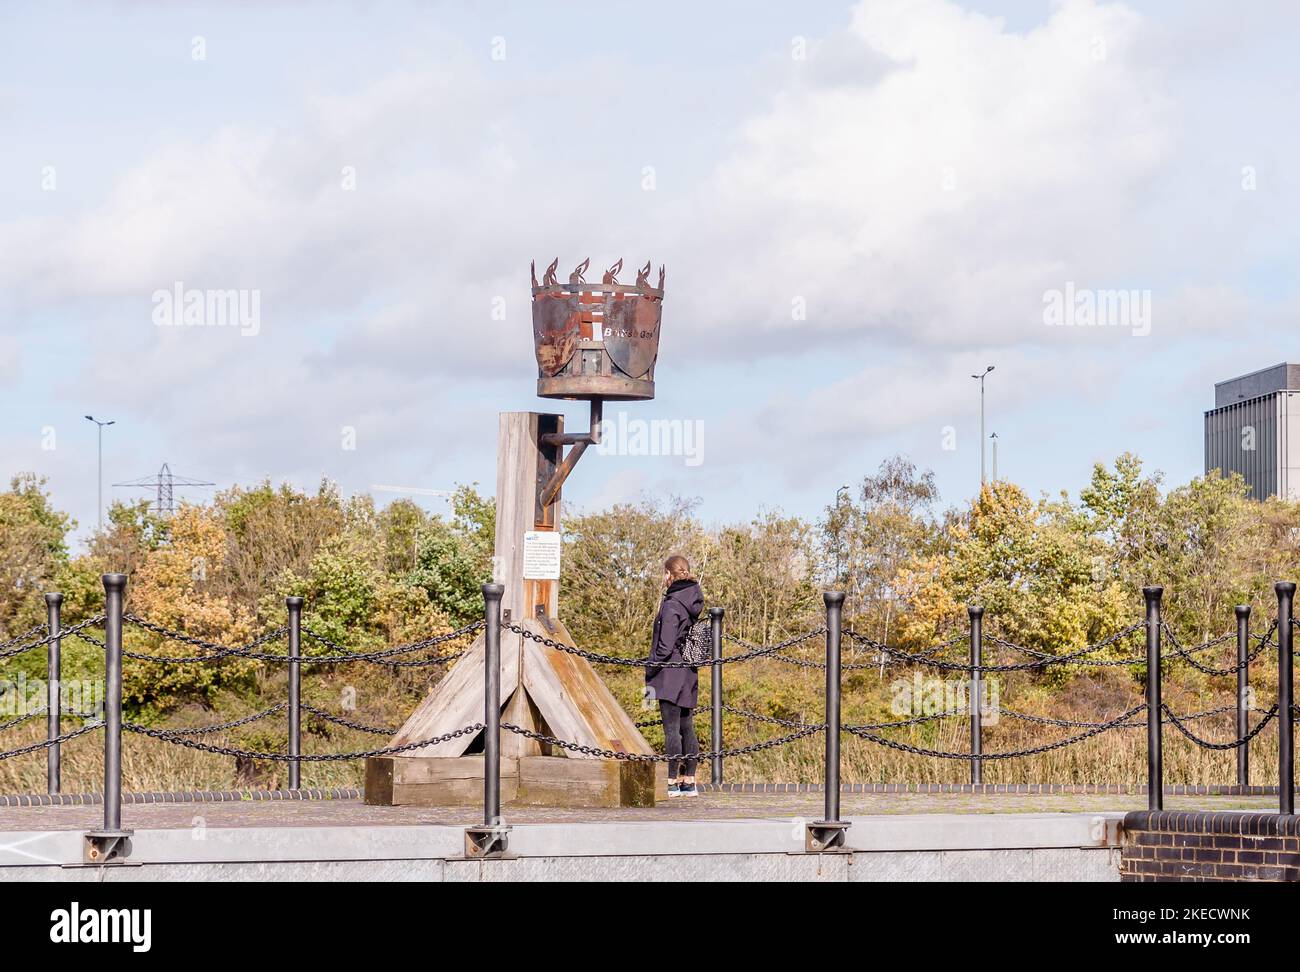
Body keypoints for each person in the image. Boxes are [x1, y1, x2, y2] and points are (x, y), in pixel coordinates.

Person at [646, 554, 704, 796]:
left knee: (671, 728)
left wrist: (650, 668)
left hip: (670, 671)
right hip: (688, 670)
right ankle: (689, 780)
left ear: (669, 574)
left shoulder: (671, 605)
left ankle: (671, 781)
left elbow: (664, 646)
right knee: (687, 726)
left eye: (664, 573)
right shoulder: (692, 599)